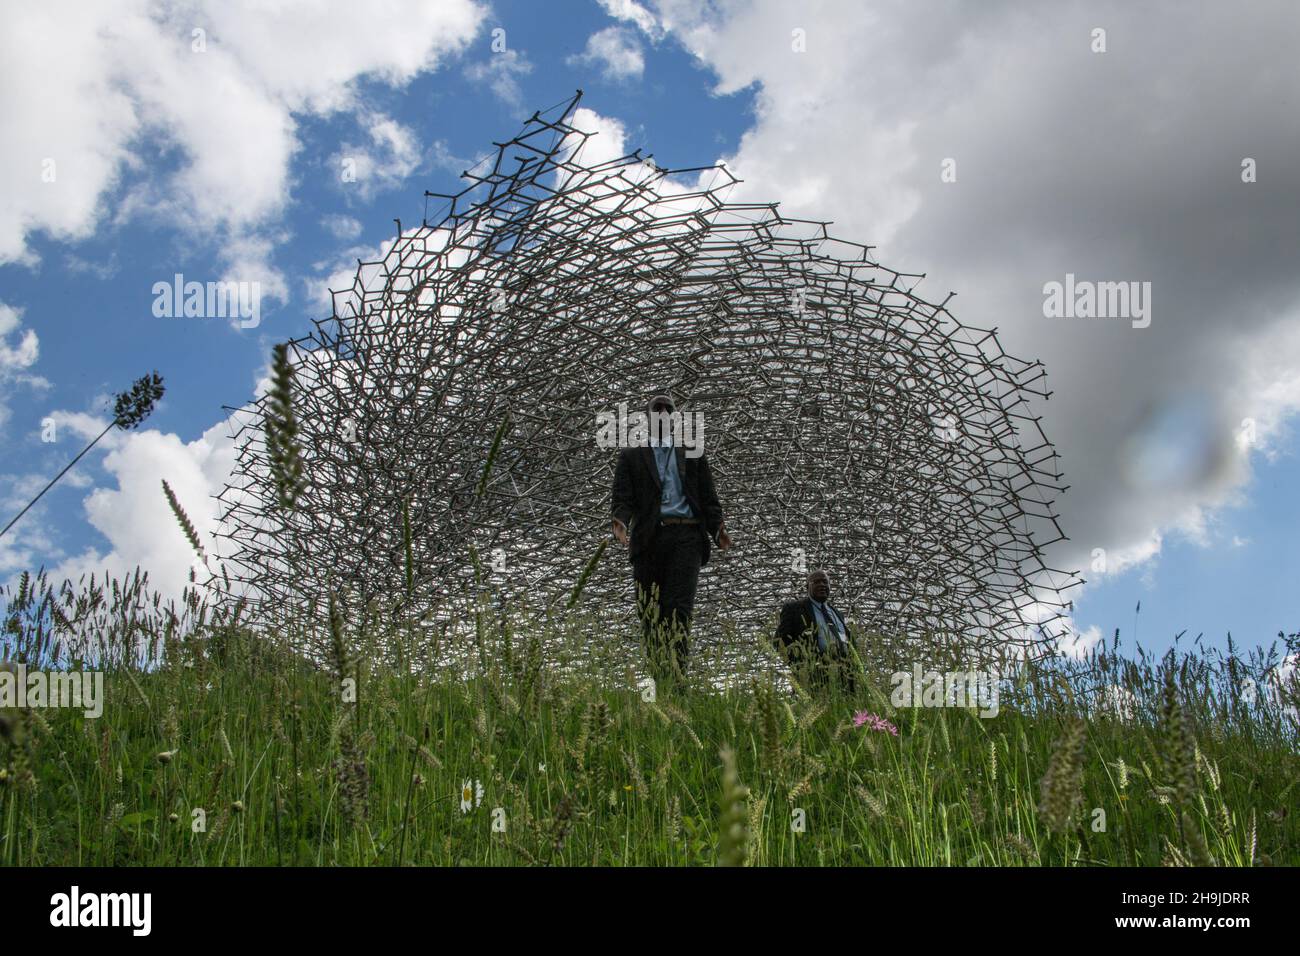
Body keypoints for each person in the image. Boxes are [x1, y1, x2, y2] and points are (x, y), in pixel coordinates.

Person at [611, 393, 730, 687]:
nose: (663, 412)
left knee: (678, 611)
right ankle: (659, 680)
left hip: (686, 537)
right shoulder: (631, 455)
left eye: (668, 409)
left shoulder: (693, 451)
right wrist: (620, 522)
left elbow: (707, 495)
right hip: (649, 539)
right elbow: (623, 497)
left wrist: (718, 528)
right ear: (647, 418)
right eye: (657, 409)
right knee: (651, 614)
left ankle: (677, 682)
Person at [774, 569, 858, 695]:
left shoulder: (837, 613)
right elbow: (779, 641)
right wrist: (801, 666)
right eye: (816, 582)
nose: (822, 585)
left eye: (825, 582)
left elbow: (847, 641)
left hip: (845, 674)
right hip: (815, 674)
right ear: (808, 586)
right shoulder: (794, 609)